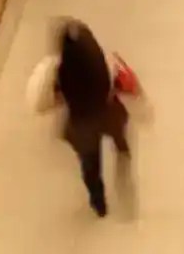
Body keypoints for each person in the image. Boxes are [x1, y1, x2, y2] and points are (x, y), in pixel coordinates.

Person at [54, 18, 130, 217]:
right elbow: (106, 79)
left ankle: (98, 203)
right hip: (104, 109)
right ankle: (122, 148)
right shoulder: (94, 56)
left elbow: (62, 95)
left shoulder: (65, 71)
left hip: (83, 122)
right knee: (116, 130)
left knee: (90, 164)